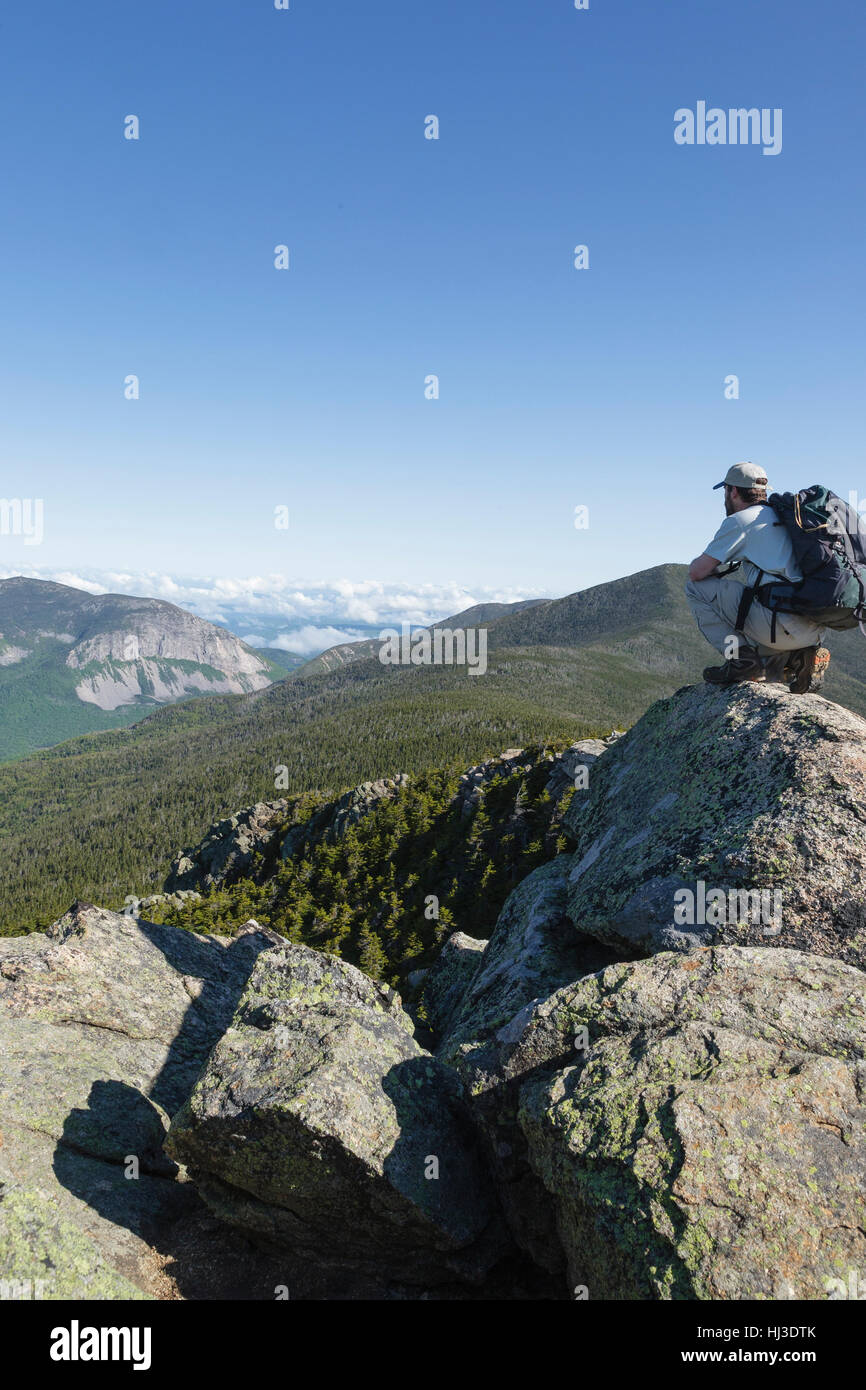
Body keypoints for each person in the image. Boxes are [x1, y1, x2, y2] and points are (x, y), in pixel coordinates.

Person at [686, 461, 830, 691]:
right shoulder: (789, 516)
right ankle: (801, 658)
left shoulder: (742, 521)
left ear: (732, 491)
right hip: (814, 627)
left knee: (695, 588)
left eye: (725, 491)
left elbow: (696, 573)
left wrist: (712, 569)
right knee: (766, 668)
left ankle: (739, 659)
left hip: (778, 625)